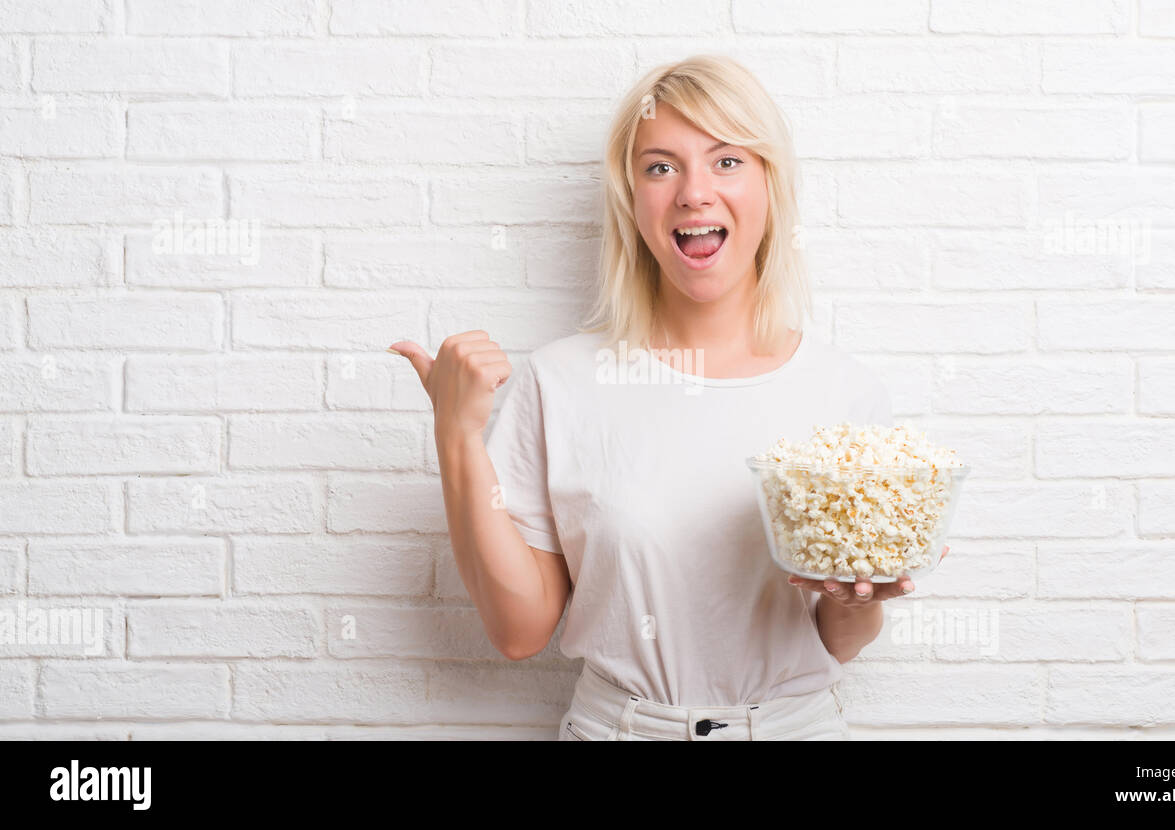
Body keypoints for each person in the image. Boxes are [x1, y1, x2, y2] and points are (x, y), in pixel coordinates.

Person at [389, 54, 949, 741]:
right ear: (632, 200)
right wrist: (456, 436)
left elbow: (840, 638)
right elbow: (519, 630)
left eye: (726, 161)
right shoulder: (561, 382)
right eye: (660, 167)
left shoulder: (843, 393)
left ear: (770, 186)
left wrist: (861, 598)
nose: (693, 192)